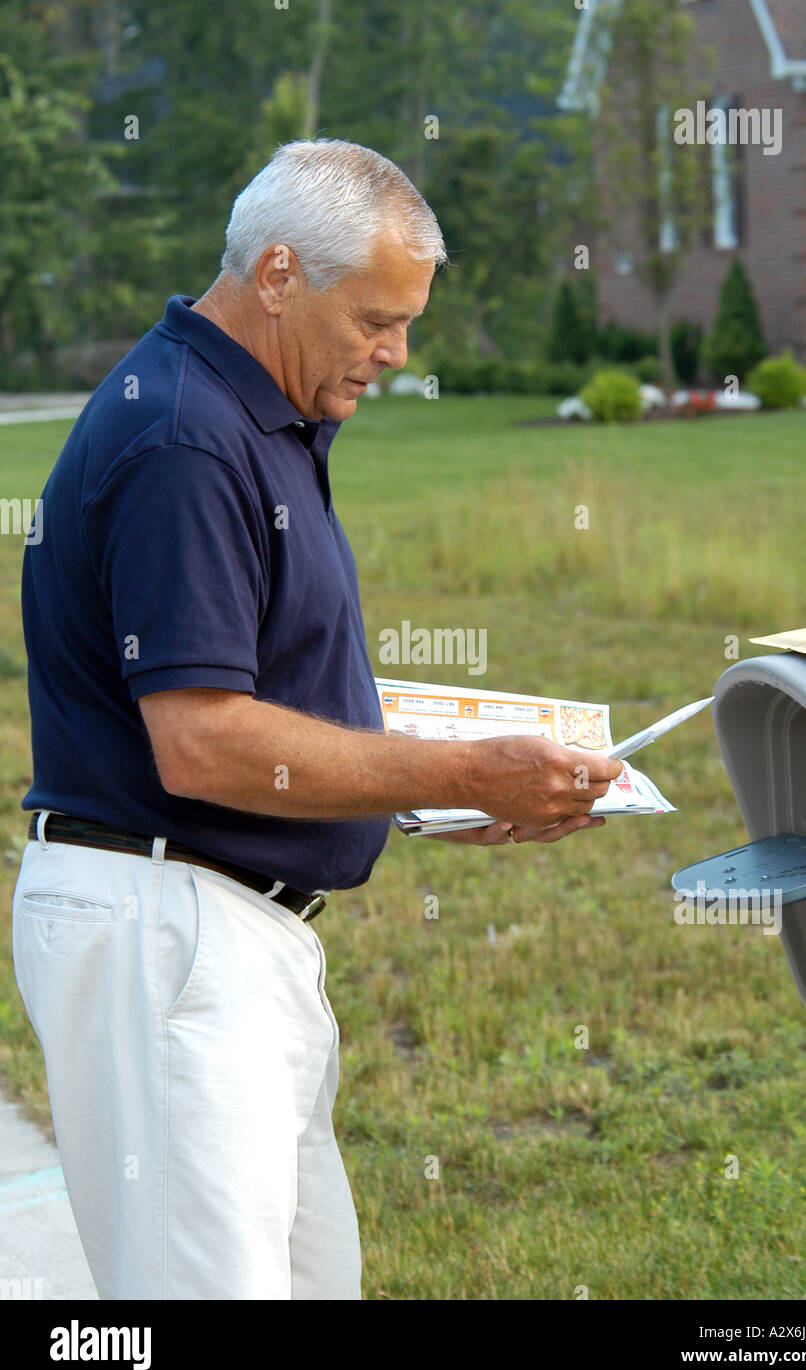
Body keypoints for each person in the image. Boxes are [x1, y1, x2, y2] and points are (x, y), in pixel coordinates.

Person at [12, 138, 621, 1300]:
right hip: (170, 932)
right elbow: (201, 741)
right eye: (376, 321)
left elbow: (274, 695)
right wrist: (454, 767)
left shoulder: (253, 412)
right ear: (280, 273)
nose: (395, 354)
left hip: (228, 930)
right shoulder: (184, 437)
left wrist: (441, 792)